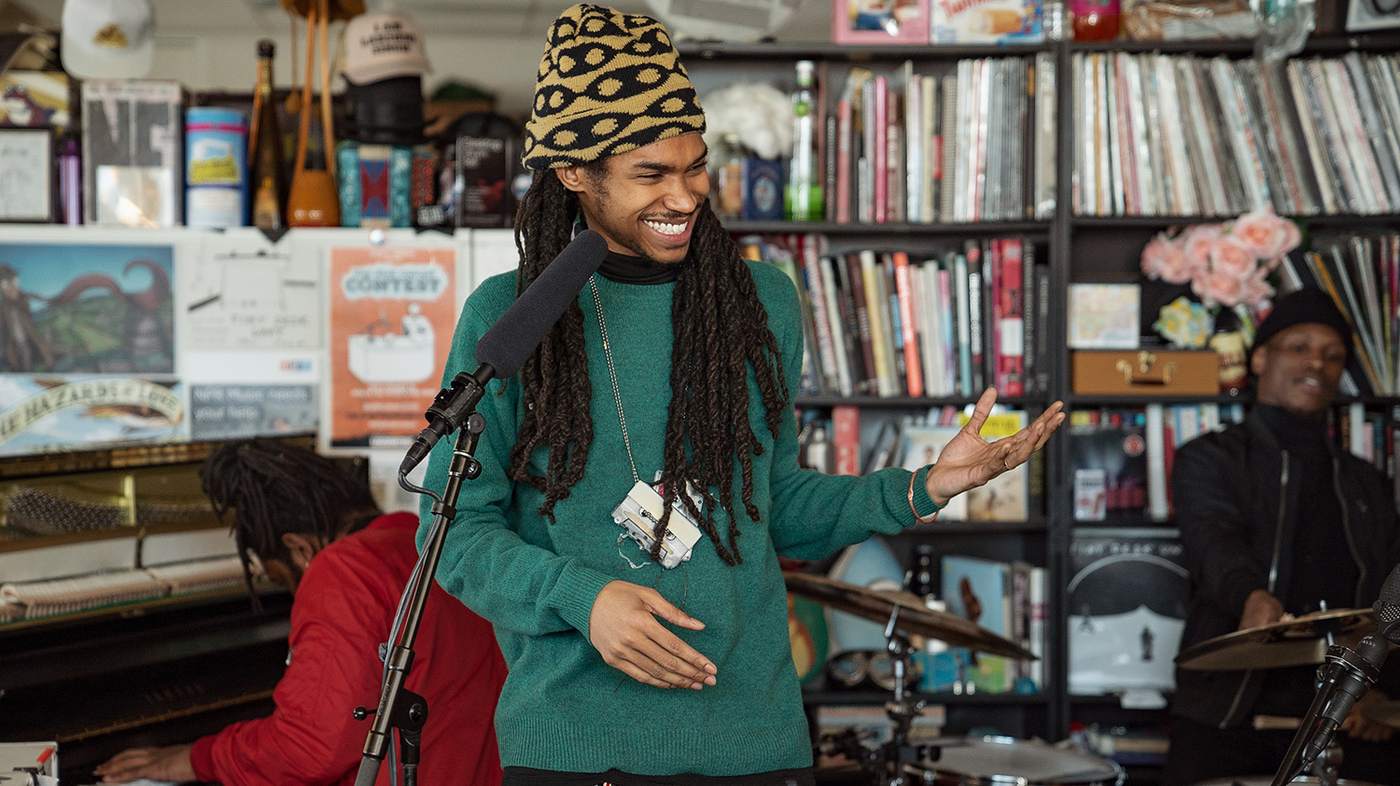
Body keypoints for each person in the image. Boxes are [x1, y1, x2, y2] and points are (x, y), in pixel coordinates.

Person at [419, 5, 1065, 784]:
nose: (686, 195)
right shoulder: (510, 317)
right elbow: (452, 534)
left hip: (752, 744)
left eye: (694, 165)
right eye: (650, 175)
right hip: (575, 747)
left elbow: (772, 501)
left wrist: (924, 488)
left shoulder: (760, 300)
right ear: (573, 174)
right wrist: (581, 598)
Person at [94, 440, 507, 786]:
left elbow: (311, 747)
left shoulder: (344, 569)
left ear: (298, 548)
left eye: (286, 581)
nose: (296, 595)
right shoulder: (419, 541)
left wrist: (191, 759)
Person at [1162, 288, 1400, 786]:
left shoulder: (1366, 482)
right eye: (1300, 346)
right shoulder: (1209, 458)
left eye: (1334, 356)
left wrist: (1382, 690)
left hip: (1347, 725)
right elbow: (1214, 542)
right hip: (1226, 723)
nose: (1318, 361)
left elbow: (1391, 592)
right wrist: (1250, 596)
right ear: (1259, 357)